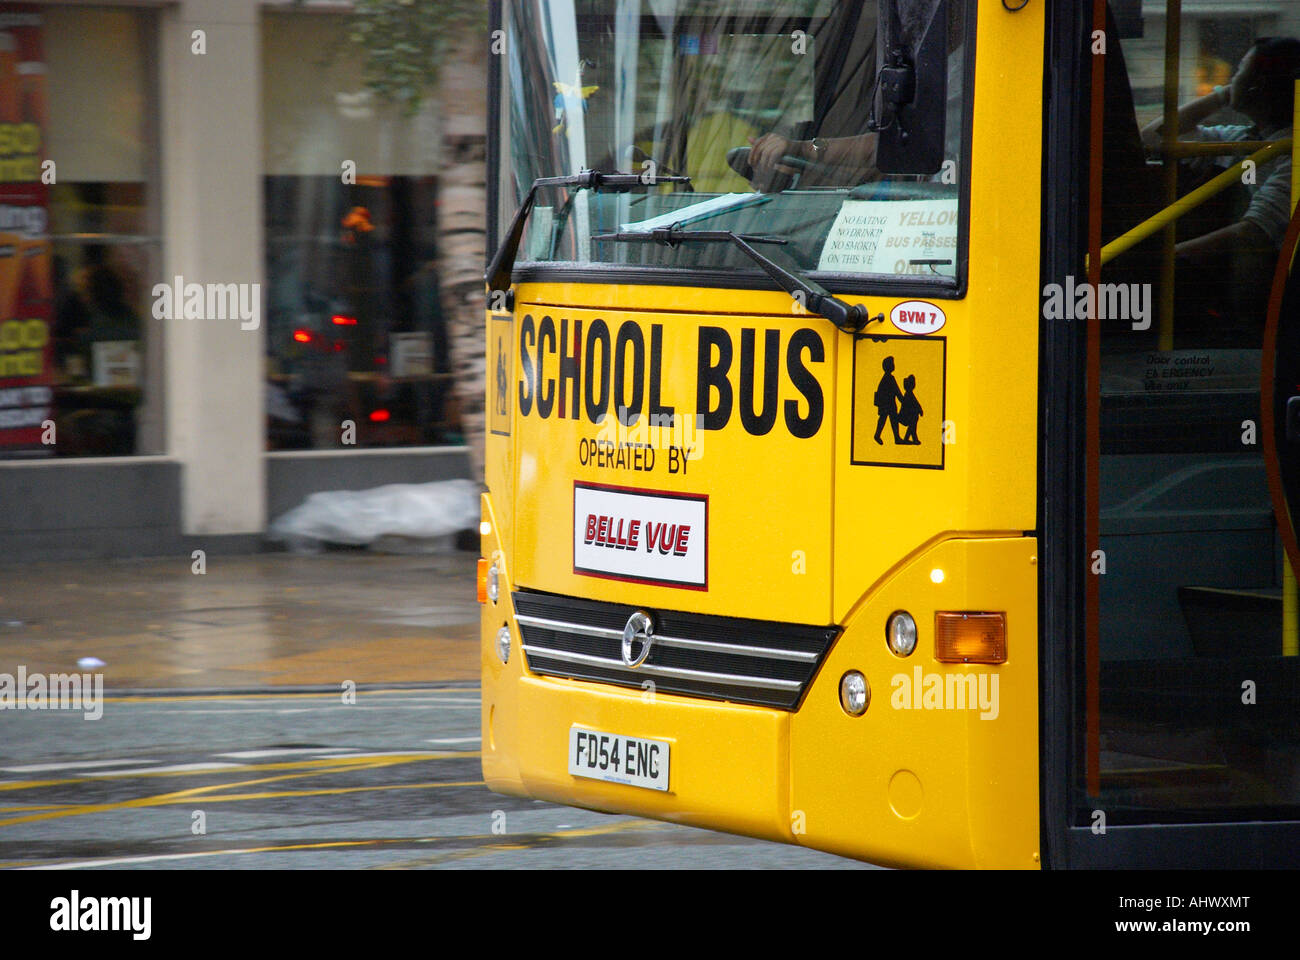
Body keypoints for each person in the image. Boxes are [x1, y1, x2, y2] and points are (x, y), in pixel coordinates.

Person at [1141, 37, 1300, 266]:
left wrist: (1161, 260)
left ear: (1259, 85)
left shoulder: (1289, 150)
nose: (1231, 80)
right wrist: (1226, 94)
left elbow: (1253, 232)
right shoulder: (1248, 139)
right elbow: (1154, 137)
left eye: (1239, 71)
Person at [873, 355, 903, 445]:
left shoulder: (886, 377)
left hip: (887, 403)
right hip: (888, 403)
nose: (894, 365)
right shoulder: (889, 378)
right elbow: (897, 391)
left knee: (888, 419)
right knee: (889, 419)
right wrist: (902, 400)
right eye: (892, 364)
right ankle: (894, 437)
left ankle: (895, 437)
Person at [898, 373, 923, 444]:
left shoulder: (909, 394)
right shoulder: (908, 395)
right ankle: (911, 438)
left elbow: (915, 404)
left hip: (908, 416)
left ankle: (909, 438)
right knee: (913, 423)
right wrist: (919, 410)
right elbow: (913, 404)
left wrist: (919, 410)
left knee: (913, 423)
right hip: (905, 417)